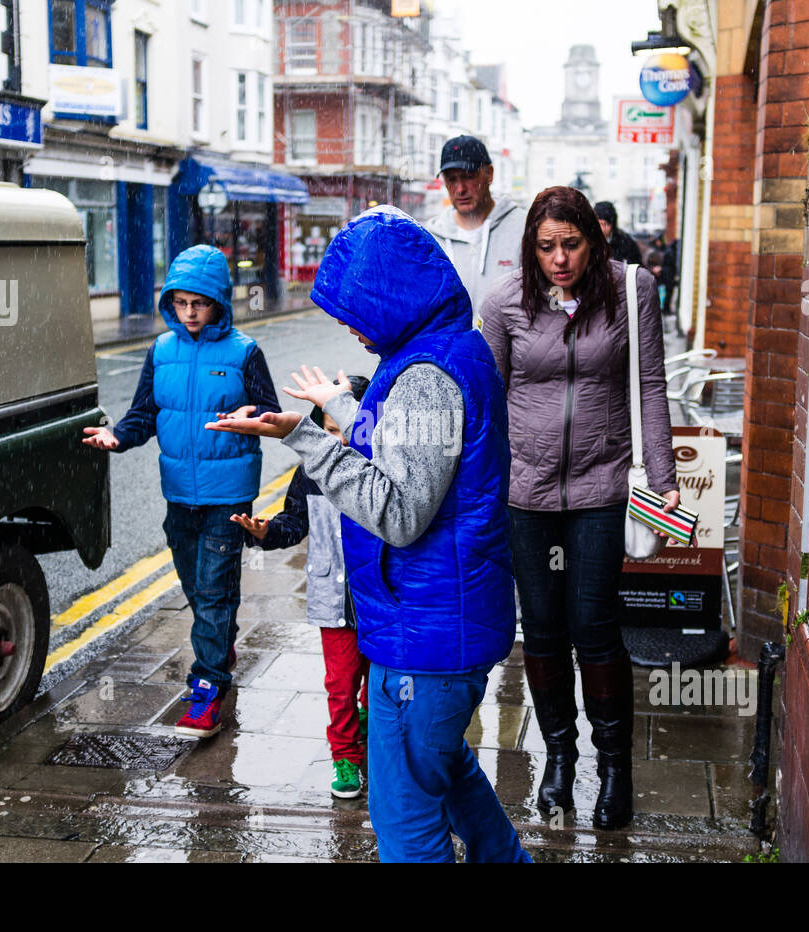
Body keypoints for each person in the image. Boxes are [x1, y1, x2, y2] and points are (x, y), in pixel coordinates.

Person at [208, 206, 531, 863]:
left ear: (389, 295)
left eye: (352, 306)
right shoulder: (440, 349)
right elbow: (409, 449)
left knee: (406, 823)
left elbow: (400, 509)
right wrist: (339, 410)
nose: (344, 323)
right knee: (444, 774)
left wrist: (303, 439)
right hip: (444, 620)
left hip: (425, 638)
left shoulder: (425, 376)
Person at [480, 186, 680, 830]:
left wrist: (666, 474)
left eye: (571, 244)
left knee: (593, 625)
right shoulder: (505, 302)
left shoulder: (631, 290)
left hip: (602, 484)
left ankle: (615, 767)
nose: (559, 258)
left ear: (594, 241)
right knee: (539, 629)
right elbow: (487, 400)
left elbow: (649, 384)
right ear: (530, 247)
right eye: (546, 246)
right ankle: (560, 759)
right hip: (527, 491)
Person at [82, 245, 280, 738]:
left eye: (200, 303)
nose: (189, 312)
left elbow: (271, 412)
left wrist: (251, 419)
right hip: (179, 496)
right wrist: (118, 437)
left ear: (219, 303)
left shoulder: (244, 352)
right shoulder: (161, 351)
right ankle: (219, 644)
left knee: (212, 593)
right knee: (197, 589)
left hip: (227, 497)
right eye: (181, 303)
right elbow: (143, 415)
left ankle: (208, 687)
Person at [230, 375, 373, 799]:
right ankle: (346, 758)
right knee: (341, 684)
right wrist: (264, 531)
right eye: (329, 432)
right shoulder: (312, 471)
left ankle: (371, 731)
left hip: (382, 598)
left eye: (348, 431)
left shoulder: (382, 468)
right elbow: (294, 524)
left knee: (380, 684)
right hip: (334, 600)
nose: (339, 442)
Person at [424, 135, 525, 327]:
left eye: (468, 177)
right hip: (450, 356)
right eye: (451, 179)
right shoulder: (430, 239)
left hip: (508, 355)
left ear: (489, 173)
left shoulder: (524, 229)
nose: (460, 189)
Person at [593, 201, 643, 265]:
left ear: (612, 224)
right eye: (599, 224)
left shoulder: (625, 242)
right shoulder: (589, 242)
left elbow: (635, 268)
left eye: (606, 224)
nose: (602, 229)